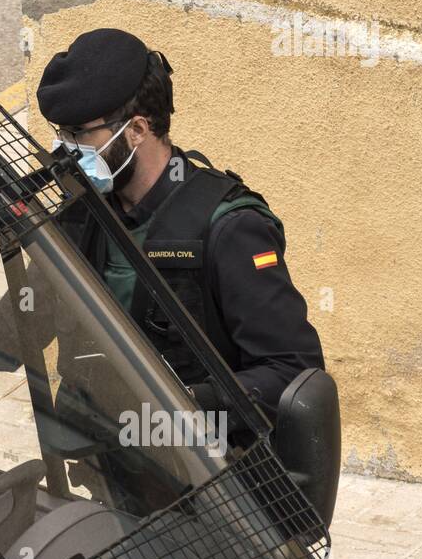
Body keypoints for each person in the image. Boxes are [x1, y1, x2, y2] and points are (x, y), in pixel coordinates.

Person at [36, 28, 325, 423]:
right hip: (104, 469)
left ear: (136, 130)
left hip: (202, 470)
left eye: (79, 135)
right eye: (62, 135)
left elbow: (292, 373)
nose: (67, 150)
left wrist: (181, 403)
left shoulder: (228, 229)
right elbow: (25, 320)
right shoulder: (83, 213)